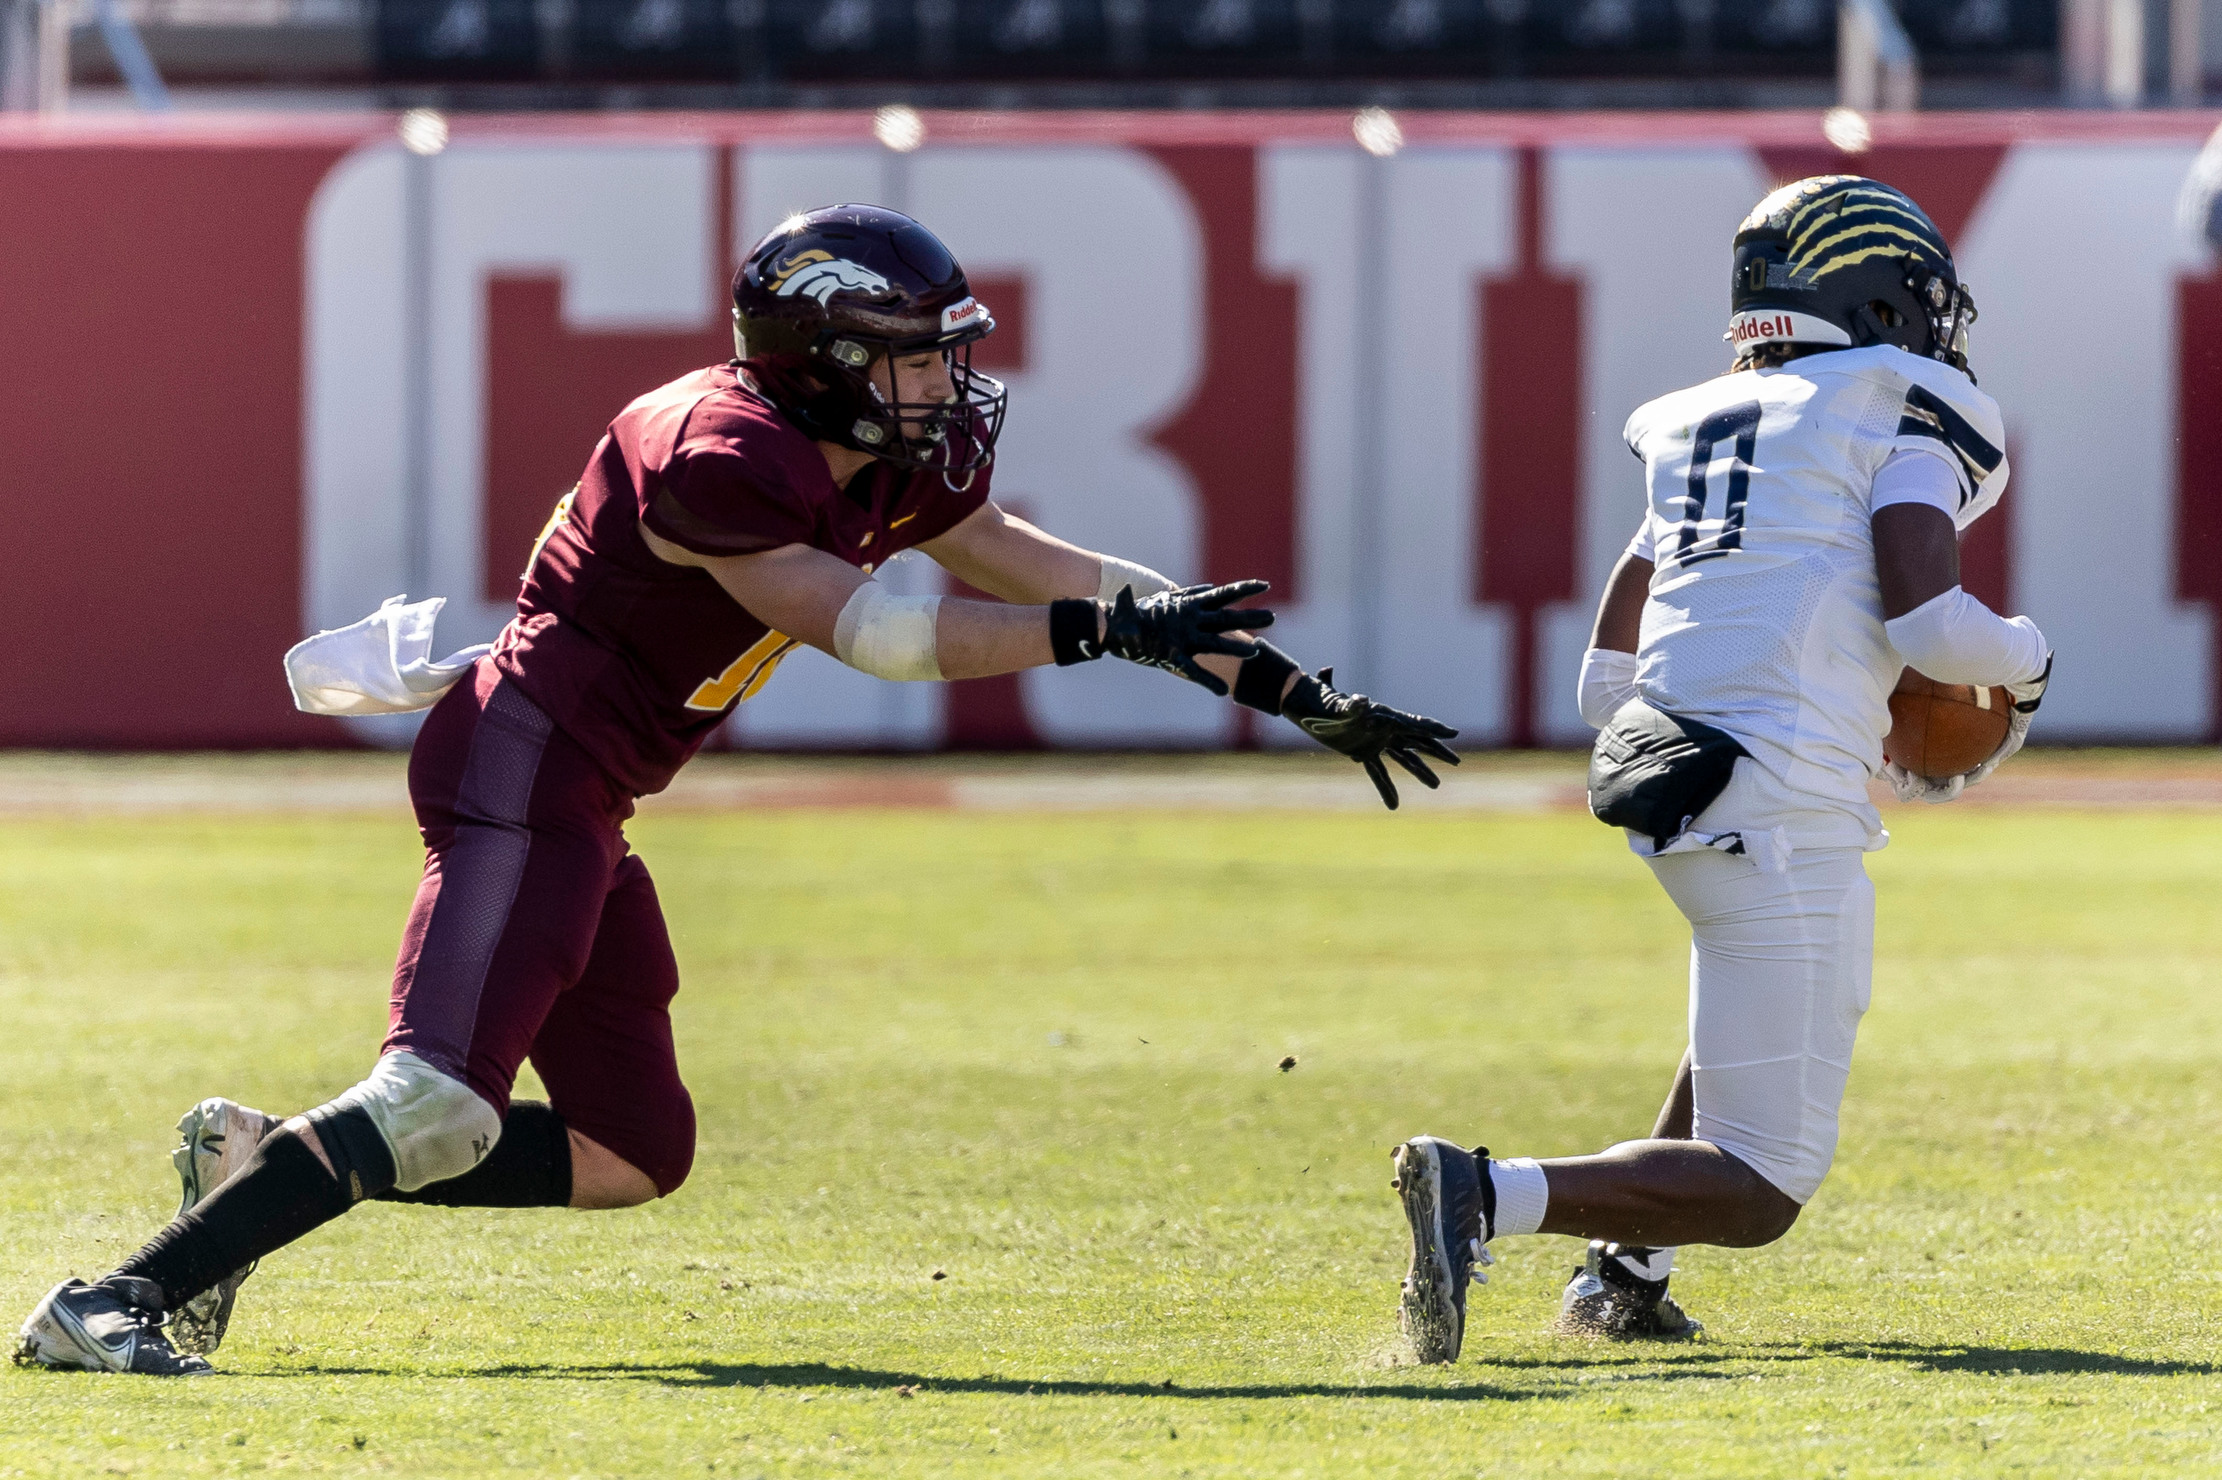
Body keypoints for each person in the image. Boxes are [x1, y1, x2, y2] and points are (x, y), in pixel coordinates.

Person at [16, 204, 1458, 1376]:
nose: (944, 385)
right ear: (825, 358)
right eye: (912, 358)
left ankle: (261, 1163)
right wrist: (1100, 638)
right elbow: (877, 633)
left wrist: (1293, 694)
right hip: (528, 763)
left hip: (585, 789)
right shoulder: (723, 448)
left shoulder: (871, 452)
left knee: (630, 1150)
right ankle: (113, 1302)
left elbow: (1065, 575)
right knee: (439, 1102)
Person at [1390, 176, 2053, 1360]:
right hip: (1779, 792)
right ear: (1882, 303)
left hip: (1671, 772)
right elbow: (1930, 624)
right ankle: (1484, 1191)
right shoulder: (1904, 398)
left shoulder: (1695, 420)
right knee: (1760, 1186)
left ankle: (1621, 1279)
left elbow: (1604, 680)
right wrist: (2029, 665)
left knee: (1759, 1018)